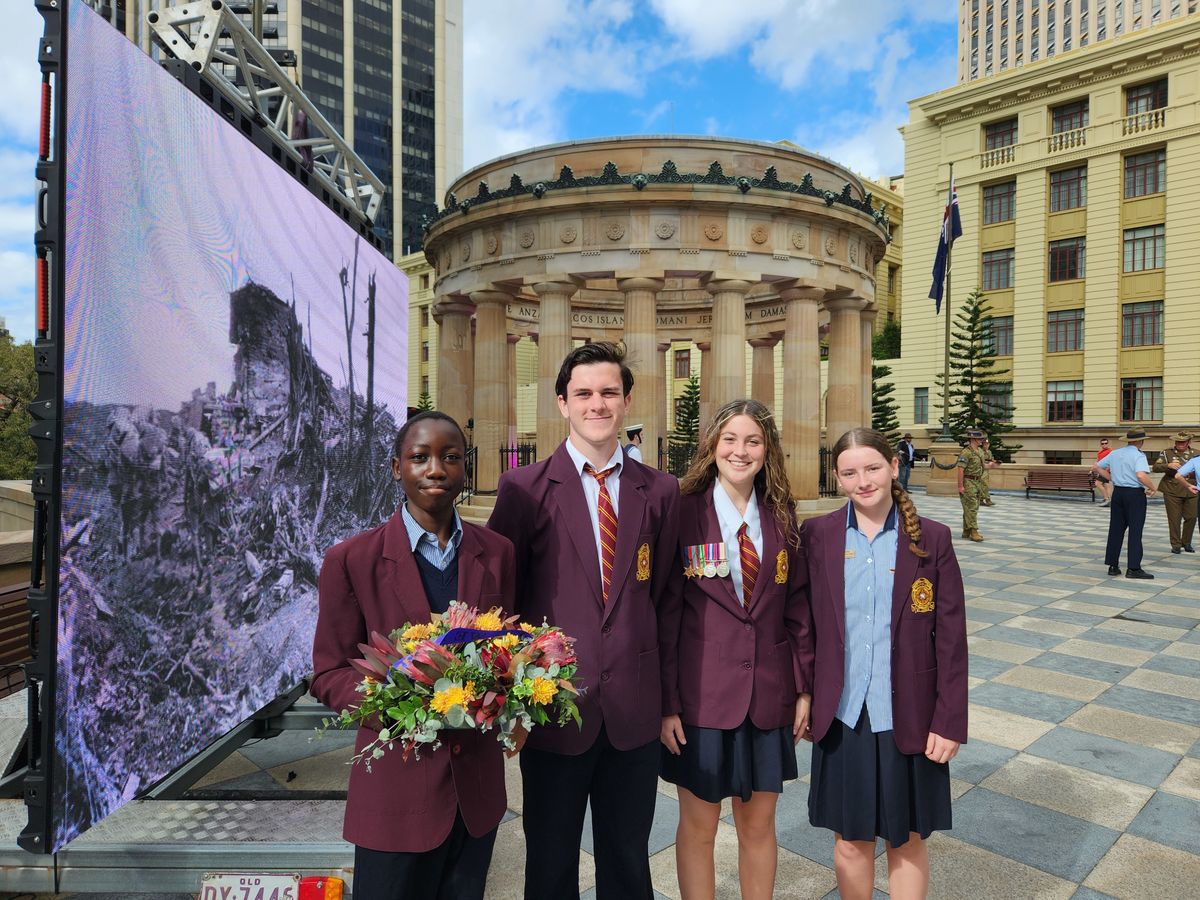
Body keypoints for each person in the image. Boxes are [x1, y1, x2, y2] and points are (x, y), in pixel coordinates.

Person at [488, 342, 681, 900]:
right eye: (584, 394)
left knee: (627, 859)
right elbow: (502, 608)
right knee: (549, 861)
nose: (597, 404)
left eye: (608, 393)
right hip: (554, 710)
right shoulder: (523, 490)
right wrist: (511, 704)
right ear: (562, 403)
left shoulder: (660, 491)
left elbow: (666, 600)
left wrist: (669, 702)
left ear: (625, 401)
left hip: (634, 712)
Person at [312, 411, 516, 900]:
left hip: (475, 792)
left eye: (450, 457)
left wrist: (506, 696)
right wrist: (400, 700)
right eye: (419, 457)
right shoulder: (351, 560)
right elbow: (328, 672)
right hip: (396, 791)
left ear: (464, 468)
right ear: (395, 467)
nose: (436, 469)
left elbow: (510, 648)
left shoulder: (498, 553)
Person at [799, 427, 967, 900]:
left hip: (909, 715)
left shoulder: (931, 538)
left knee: (906, 839)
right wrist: (804, 693)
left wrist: (949, 720)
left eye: (872, 468)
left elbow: (952, 639)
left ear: (894, 466)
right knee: (850, 840)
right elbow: (804, 625)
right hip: (844, 714)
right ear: (836, 477)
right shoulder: (818, 536)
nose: (863, 481)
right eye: (849, 472)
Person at [659, 399, 810, 900]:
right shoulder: (681, 512)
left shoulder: (783, 516)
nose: (740, 451)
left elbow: (798, 611)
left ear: (768, 451)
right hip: (702, 699)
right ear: (711, 446)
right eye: (730, 439)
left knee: (759, 826)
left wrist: (803, 690)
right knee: (699, 827)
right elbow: (667, 613)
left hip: (768, 696)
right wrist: (668, 704)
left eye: (753, 441)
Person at [1092, 429, 1158, 579]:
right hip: (1134, 494)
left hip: (1118, 493)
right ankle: (1133, 568)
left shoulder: (1115, 453)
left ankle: (1113, 565)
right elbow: (1141, 475)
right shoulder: (1139, 455)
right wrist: (1153, 488)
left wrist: (1112, 478)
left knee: (1116, 529)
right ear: (1141, 441)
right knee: (1135, 530)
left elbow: (1096, 466)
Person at [1152, 432, 1196, 555]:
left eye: (1183, 442)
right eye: (1178, 442)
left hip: (1191, 489)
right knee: (1174, 519)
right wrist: (1168, 465)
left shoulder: (1196, 453)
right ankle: (1176, 544)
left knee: (1192, 517)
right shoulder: (1167, 453)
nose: (1180, 444)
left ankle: (1186, 542)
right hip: (1172, 489)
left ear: (1188, 442)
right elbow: (1155, 467)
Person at [956, 429, 987, 542]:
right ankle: (974, 531)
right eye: (979, 439)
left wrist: (993, 465)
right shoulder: (966, 452)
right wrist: (960, 486)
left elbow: (984, 466)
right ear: (973, 439)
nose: (981, 440)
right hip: (968, 482)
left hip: (977, 482)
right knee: (972, 507)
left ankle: (966, 530)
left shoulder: (980, 451)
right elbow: (960, 470)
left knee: (971, 507)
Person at [979, 438, 999, 506]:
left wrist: (995, 461)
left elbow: (991, 459)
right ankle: (988, 500)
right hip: (981, 469)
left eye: (987, 444)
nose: (986, 445)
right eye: (985, 444)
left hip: (987, 470)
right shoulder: (980, 451)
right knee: (984, 485)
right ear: (982, 444)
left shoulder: (989, 452)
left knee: (984, 485)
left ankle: (981, 499)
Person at [1095, 438, 1114, 507]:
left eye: (1106, 443)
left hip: (1105, 471)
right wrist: (1092, 469)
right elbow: (1097, 461)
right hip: (1101, 470)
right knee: (1106, 484)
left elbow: (1112, 461)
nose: (1104, 445)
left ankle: (1106, 499)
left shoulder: (1110, 451)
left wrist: (1107, 470)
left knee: (1097, 483)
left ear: (1108, 444)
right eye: (1102, 443)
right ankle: (1108, 499)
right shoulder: (1100, 452)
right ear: (1100, 444)